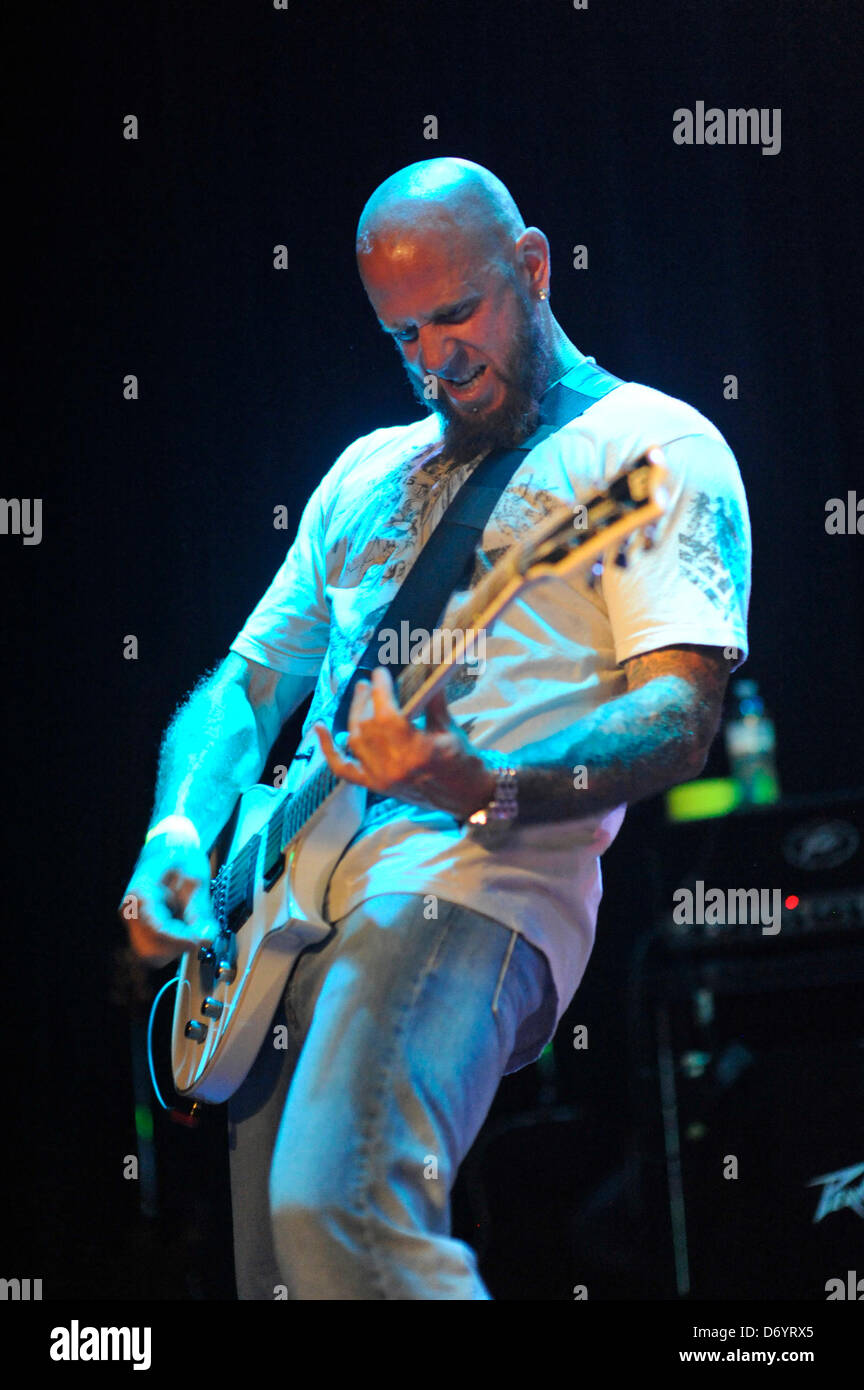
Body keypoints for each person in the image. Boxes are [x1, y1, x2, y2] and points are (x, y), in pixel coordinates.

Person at [121, 157, 751, 1299]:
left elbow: (677, 715)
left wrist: (484, 779)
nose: (432, 360)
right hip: (281, 921)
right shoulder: (365, 469)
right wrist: (178, 825)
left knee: (342, 1209)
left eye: (456, 314)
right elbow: (248, 684)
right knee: (289, 1281)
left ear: (534, 264)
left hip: (469, 885)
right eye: (402, 335)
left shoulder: (651, 449)